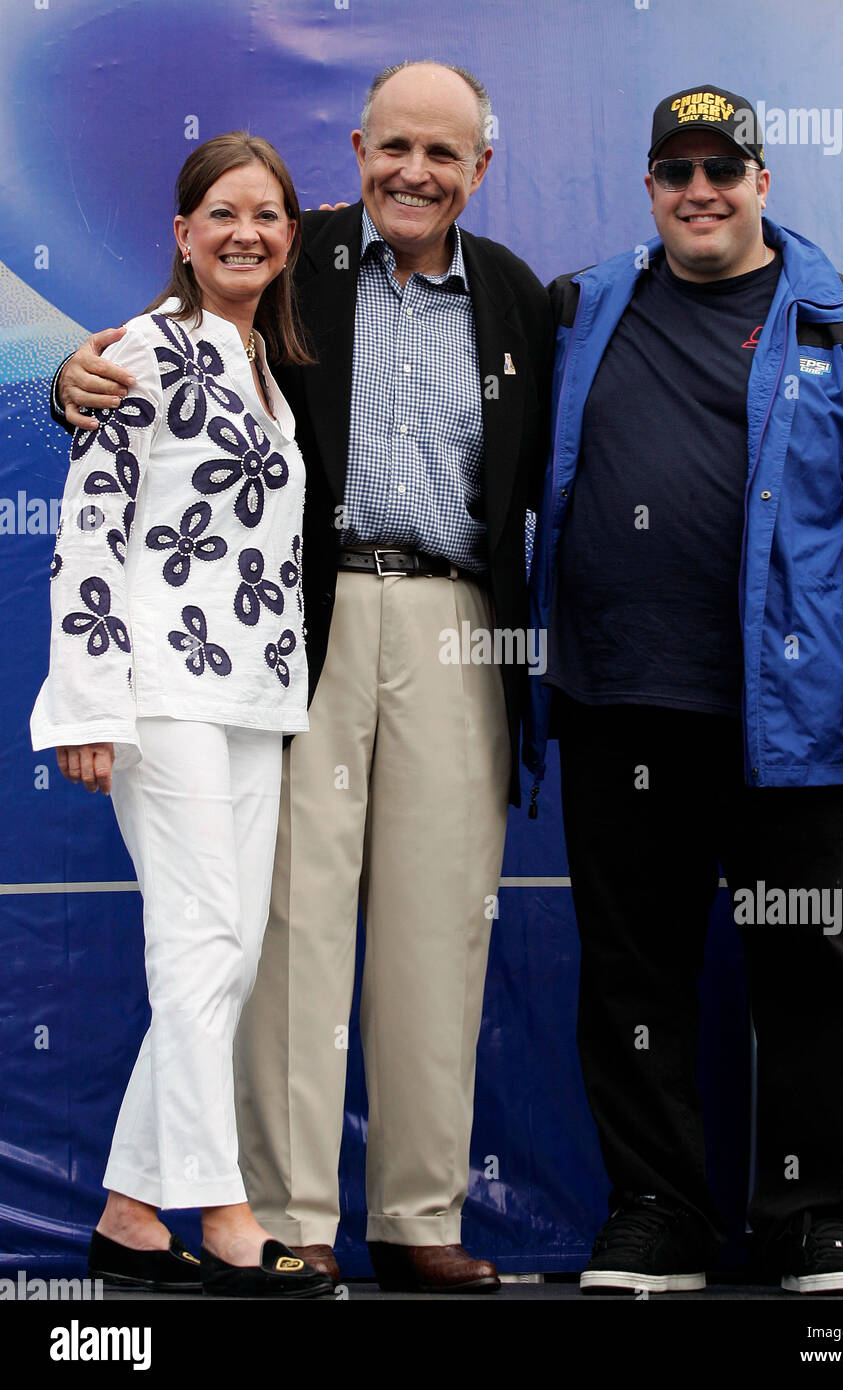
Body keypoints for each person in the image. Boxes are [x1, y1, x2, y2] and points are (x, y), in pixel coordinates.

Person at [56, 63, 553, 1293]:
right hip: (311, 629)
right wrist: (81, 374)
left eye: (443, 154)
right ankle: (281, 1211)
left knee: (441, 927)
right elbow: (160, 357)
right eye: (394, 147)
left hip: (450, 625)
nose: (415, 173)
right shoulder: (295, 252)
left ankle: (418, 1216)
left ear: (479, 169)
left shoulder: (518, 298)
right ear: (357, 148)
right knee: (282, 936)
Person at [524, 84, 843, 1295]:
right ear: (652, 189)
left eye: (724, 170)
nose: (701, 191)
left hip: (803, 720)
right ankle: (657, 1215)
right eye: (678, 172)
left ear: (764, 183)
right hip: (620, 708)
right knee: (634, 978)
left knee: (808, 971)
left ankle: (813, 1217)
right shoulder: (581, 310)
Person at [34, 132, 335, 1298]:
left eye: (265, 214)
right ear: (182, 233)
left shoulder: (264, 367)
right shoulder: (137, 354)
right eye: (220, 213)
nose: (243, 232)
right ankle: (219, 1208)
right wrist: (89, 703)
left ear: (290, 236)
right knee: (203, 948)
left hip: (256, 695)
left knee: (226, 959)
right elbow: (90, 531)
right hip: (162, 693)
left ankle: (124, 1213)